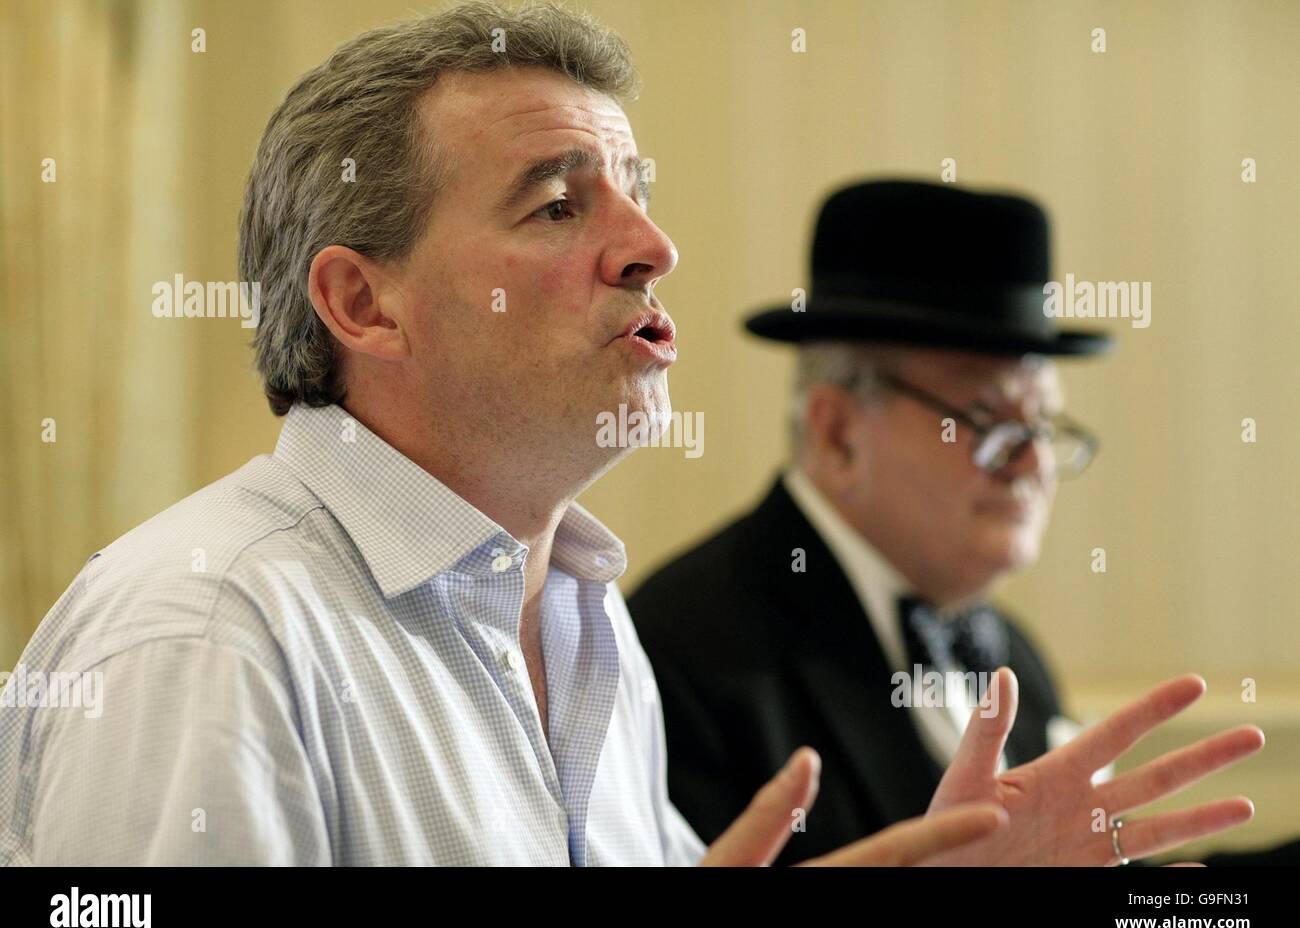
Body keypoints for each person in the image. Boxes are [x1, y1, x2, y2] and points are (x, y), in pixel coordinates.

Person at [0, 8, 1262, 867]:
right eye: (558, 203)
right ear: (361, 302)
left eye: (636, 192)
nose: (654, 247)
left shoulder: (584, 620)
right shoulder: (206, 633)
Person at [630, 179, 1281, 865]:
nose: (1032, 461)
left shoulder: (1007, 647)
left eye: (1041, 422)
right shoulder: (684, 653)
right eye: (988, 420)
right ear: (838, 432)